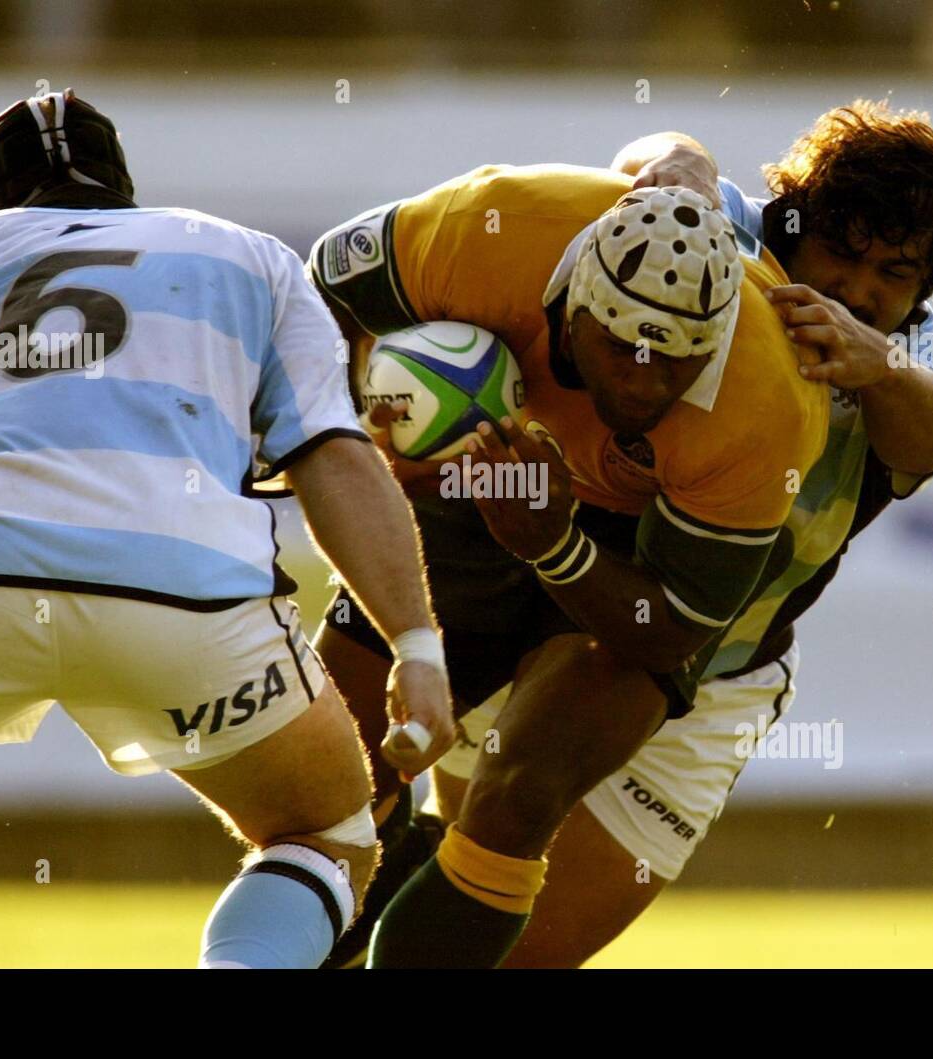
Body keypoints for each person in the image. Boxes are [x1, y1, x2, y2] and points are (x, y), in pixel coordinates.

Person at [0, 89, 453, 969]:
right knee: (327, 830)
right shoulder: (251, 257)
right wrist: (416, 645)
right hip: (187, 593)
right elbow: (334, 456)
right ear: (125, 193)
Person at [439, 101, 933, 966]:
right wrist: (686, 160)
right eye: (844, 254)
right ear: (797, 220)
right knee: (448, 888)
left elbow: (930, 437)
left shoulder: (932, 361)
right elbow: (648, 156)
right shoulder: (726, 243)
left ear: (929, 285)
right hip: (559, 618)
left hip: (714, 683)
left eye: (894, 274)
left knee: (521, 956)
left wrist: (876, 362)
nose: (859, 292)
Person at [306, 162, 829, 966]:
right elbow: (317, 297)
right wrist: (354, 420)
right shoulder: (495, 226)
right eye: (619, 344)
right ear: (573, 294)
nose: (642, 377)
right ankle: (371, 865)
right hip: (475, 482)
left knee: (519, 790)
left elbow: (671, 629)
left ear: (720, 333)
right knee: (323, 776)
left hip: (633, 553)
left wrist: (557, 543)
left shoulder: (768, 396)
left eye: (678, 359)